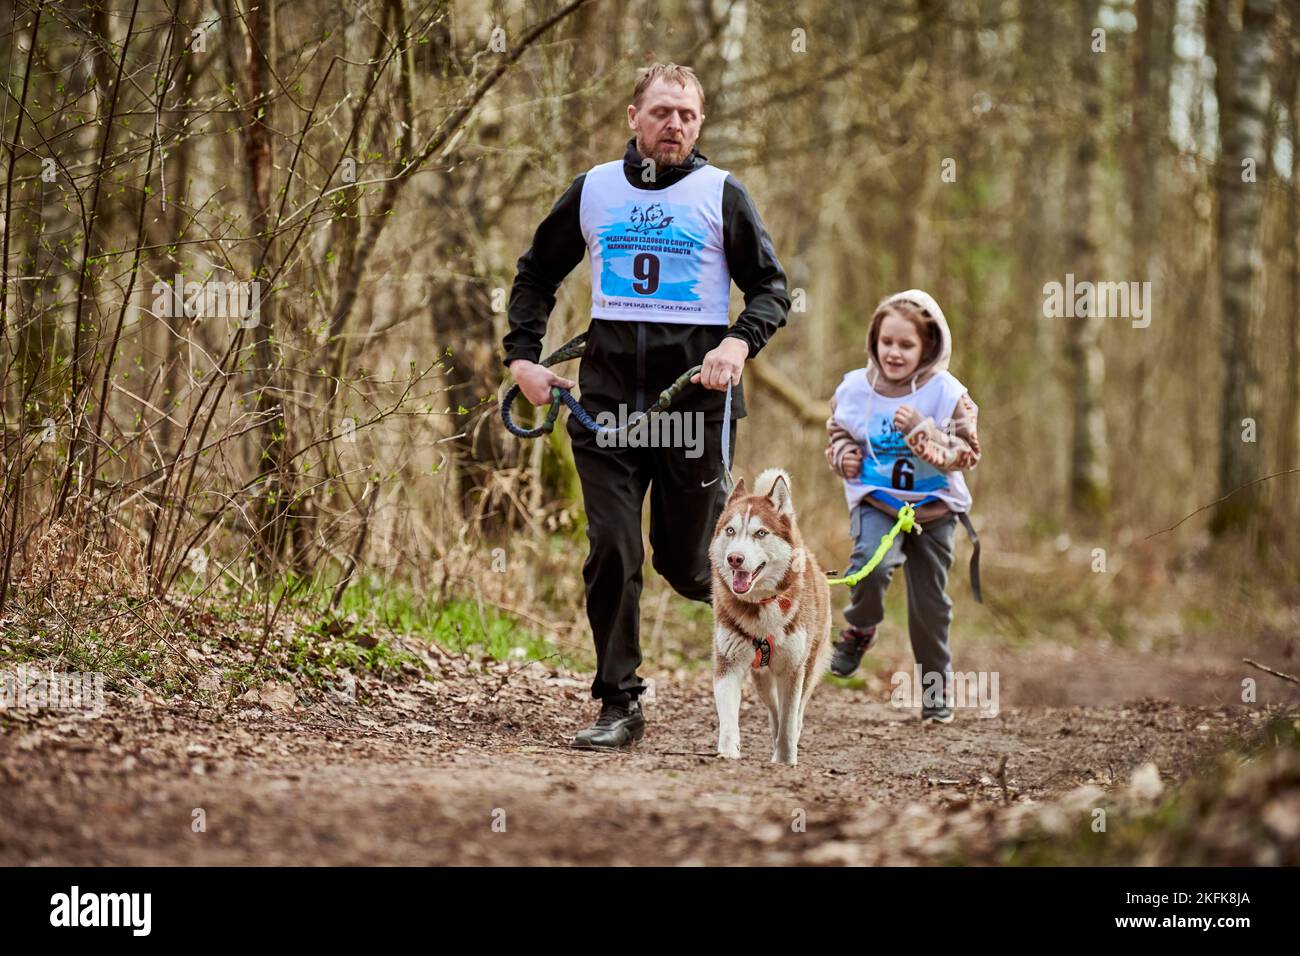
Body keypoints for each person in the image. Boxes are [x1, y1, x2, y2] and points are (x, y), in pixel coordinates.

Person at [502, 63, 791, 748]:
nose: (675, 125)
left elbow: (771, 291)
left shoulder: (722, 195)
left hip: (695, 411)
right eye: (662, 112)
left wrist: (736, 345)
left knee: (689, 564)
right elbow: (537, 272)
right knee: (613, 548)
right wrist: (523, 358)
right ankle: (619, 702)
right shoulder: (594, 190)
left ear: (700, 124)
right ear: (634, 117)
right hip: (604, 408)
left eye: (688, 115)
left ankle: (776, 625)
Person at [823, 290, 982, 723]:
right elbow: (837, 432)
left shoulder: (948, 393)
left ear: (928, 347)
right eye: (886, 342)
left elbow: (968, 453)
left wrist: (923, 433)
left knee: (930, 608)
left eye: (906, 345)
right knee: (870, 568)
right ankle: (859, 629)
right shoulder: (854, 388)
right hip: (877, 502)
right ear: (874, 340)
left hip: (933, 512)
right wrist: (844, 456)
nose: (894, 353)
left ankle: (935, 696)